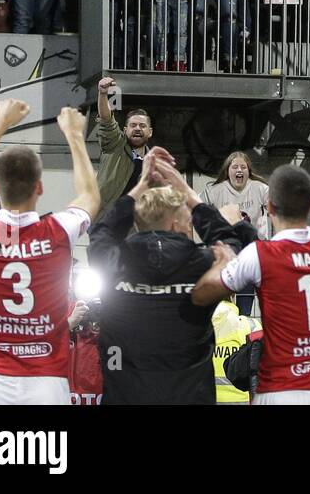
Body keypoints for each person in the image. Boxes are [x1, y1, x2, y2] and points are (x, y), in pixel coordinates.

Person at [192, 69, 310, 404]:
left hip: (281, 392)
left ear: (269, 207)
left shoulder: (260, 255)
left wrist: (222, 260)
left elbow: (201, 295)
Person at [0, 91, 100, 405]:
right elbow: (90, 195)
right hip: (46, 383)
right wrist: (75, 135)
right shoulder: (59, 231)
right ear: (40, 188)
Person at [87, 145, 257, 404]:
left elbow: (100, 232)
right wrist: (187, 192)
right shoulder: (203, 263)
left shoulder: (113, 262)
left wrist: (141, 184)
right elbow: (233, 240)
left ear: (136, 222)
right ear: (179, 224)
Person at [94, 76, 155, 217]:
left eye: (142, 126)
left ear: (150, 132)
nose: (138, 129)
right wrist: (103, 94)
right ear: (125, 129)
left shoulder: (153, 162)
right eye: (133, 125)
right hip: (105, 222)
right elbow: (106, 121)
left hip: (135, 226)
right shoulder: (115, 144)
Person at [202, 151, 271, 240]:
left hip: (254, 244)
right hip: (227, 245)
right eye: (235, 167)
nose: (239, 170)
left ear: (248, 171)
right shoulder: (214, 191)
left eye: (243, 167)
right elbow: (192, 209)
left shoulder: (260, 188)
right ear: (227, 171)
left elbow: (279, 210)